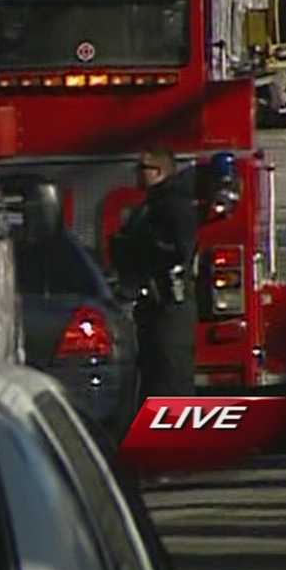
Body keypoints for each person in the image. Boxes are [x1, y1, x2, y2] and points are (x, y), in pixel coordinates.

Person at [110, 147, 199, 397]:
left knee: (171, 379)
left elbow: (179, 251)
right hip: (154, 308)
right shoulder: (154, 203)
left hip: (171, 306)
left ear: (158, 171)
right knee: (153, 377)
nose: (137, 174)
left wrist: (141, 245)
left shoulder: (174, 204)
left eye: (142, 169)